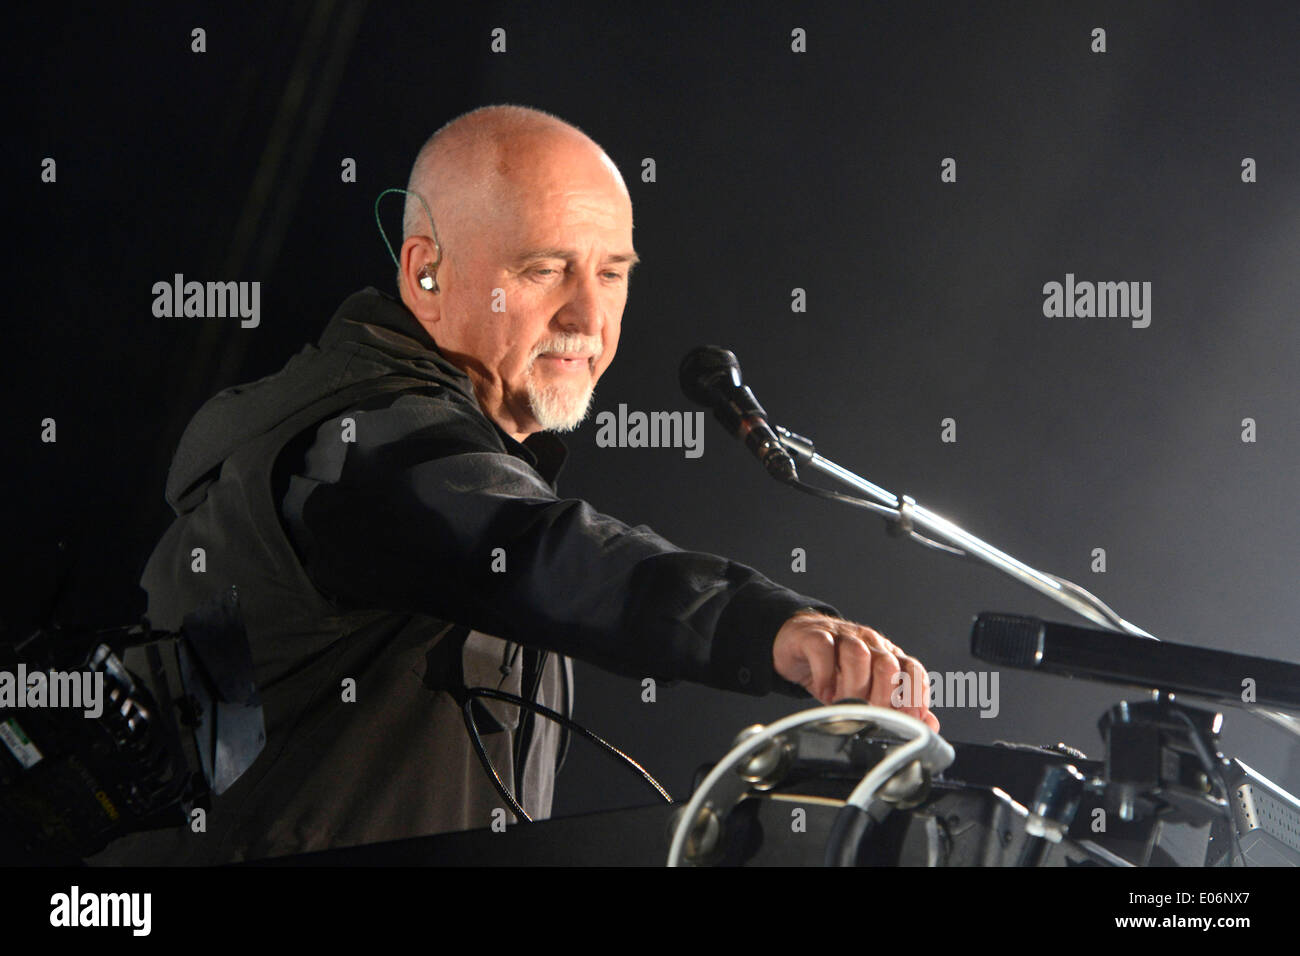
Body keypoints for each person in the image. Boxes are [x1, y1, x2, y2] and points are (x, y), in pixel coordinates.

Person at [97, 104, 938, 865]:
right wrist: (766, 626)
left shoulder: (466, 461)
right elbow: (541, 551)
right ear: (425, 270)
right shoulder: (354, 445)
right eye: (545, 269)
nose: (588, 318)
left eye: (612, 273)